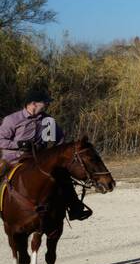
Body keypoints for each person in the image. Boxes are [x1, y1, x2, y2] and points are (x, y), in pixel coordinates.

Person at [0, 87, 93, 220]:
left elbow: (59, 141)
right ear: (33, 103)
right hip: (14, 159)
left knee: (63, 176)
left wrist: (58, 155)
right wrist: (18, 144)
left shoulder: (47, 121)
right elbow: (1, 140)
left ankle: (75, 208)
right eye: (45, 102)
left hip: (38, 159)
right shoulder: (13, 119)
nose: (47, 104)